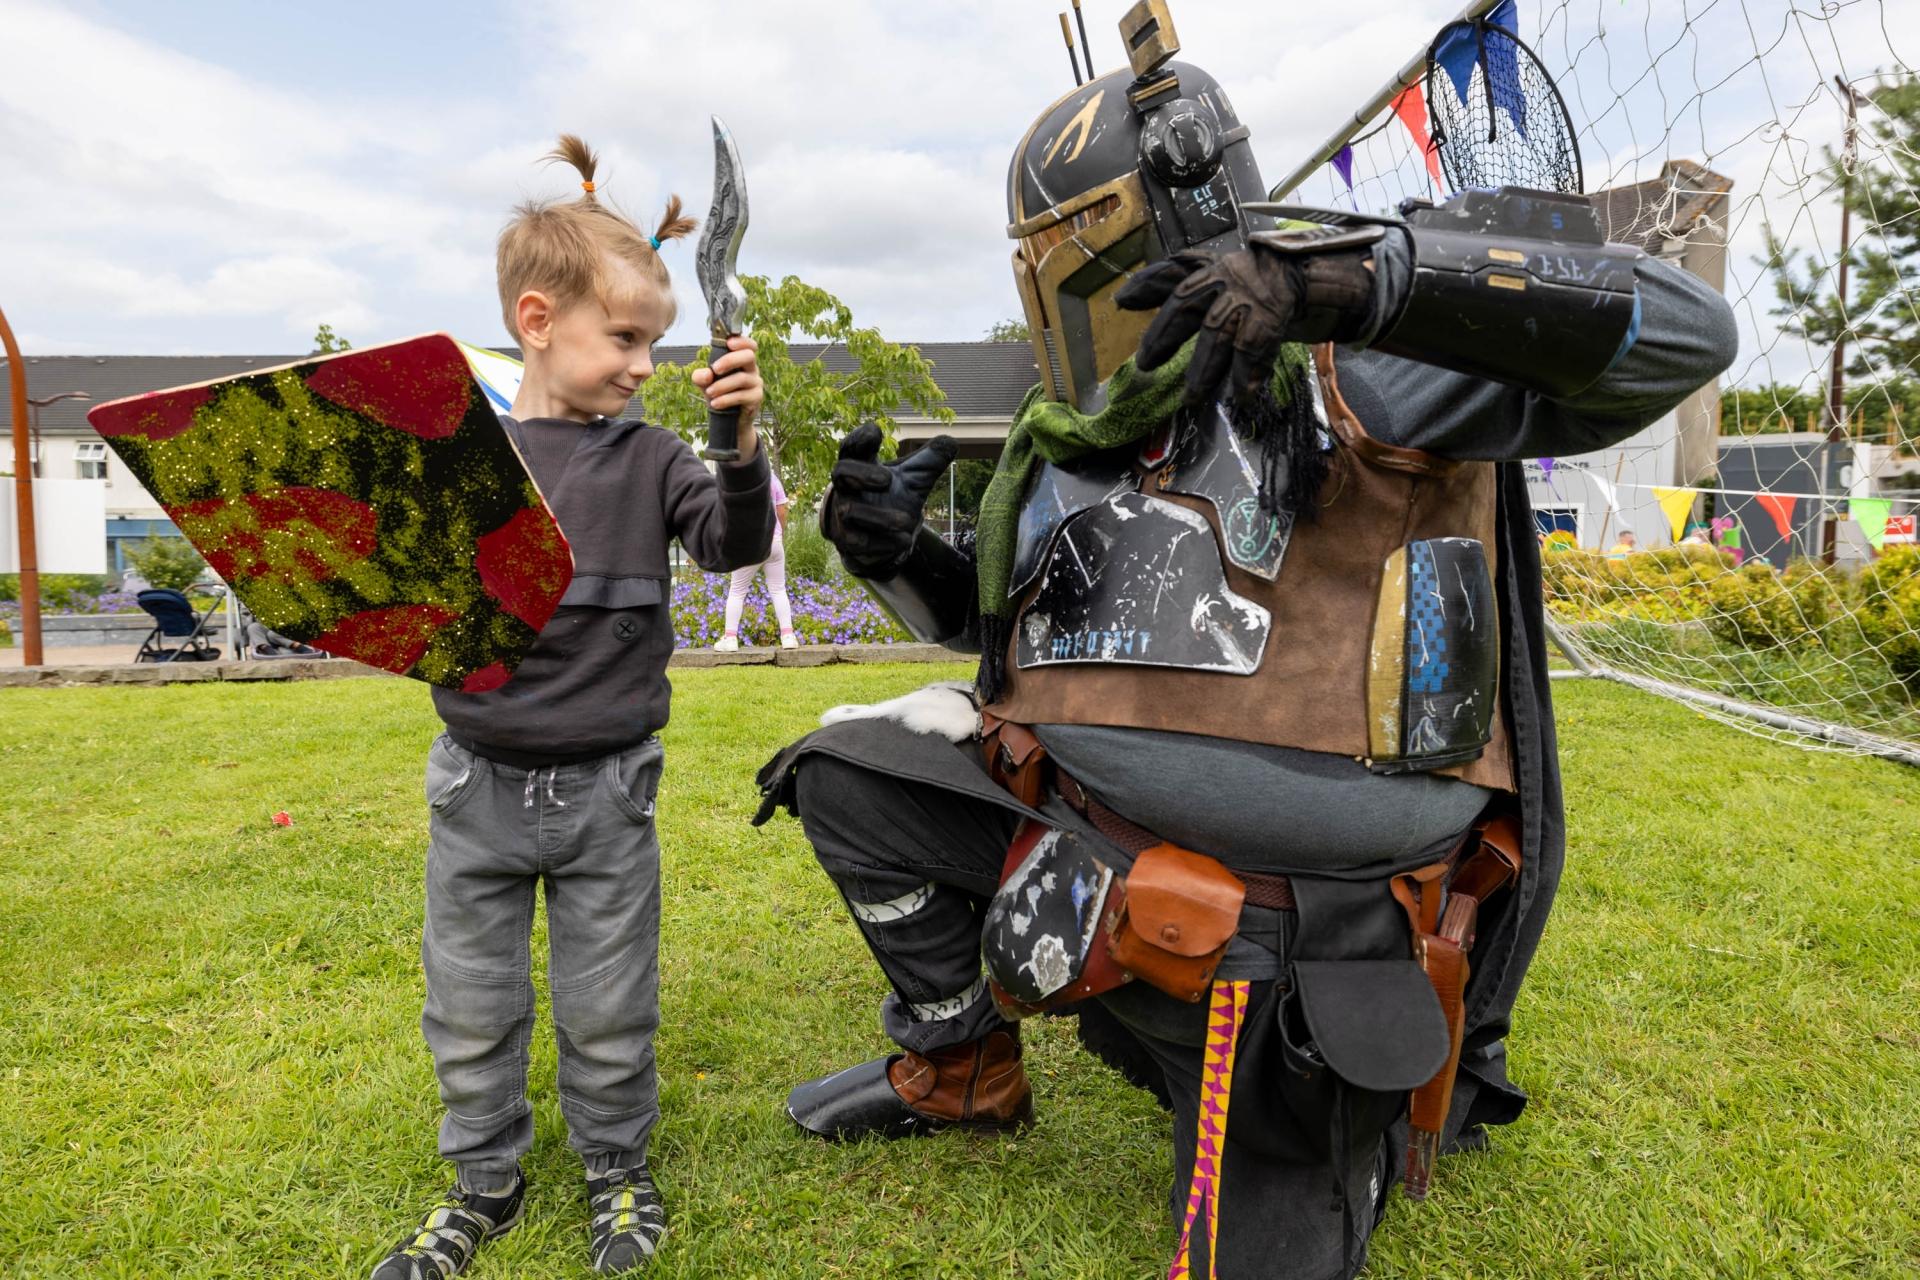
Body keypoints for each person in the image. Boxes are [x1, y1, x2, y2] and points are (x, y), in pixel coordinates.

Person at [752, 7, 1738, 1278]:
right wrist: (901, 561)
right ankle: (960, 1064)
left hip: (1290, 956)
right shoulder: (1087, 426)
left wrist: (1361, 284)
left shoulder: (1364, 358)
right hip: (1090, 864)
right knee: (845, 777)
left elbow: (1688, 333)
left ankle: (1334, 1129)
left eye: (1054, 244)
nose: (1042, 278)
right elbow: (1044, 642)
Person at [369, 134, 771, 1280]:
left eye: (656, 341)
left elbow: (734, 541)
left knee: (607, 1006)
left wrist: (737, 446)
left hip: (606, 793)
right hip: (476, 791)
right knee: (472, 1007)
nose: (646, 365)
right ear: (539, 322)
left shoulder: (655, 461)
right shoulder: (464, 459)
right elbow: (410, 595)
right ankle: (482, 1184)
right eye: (627, 339)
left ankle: (615, 1170)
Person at [714, 470, 797, 650]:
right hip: (774, 541)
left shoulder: (735, 480)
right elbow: (781, 511)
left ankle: (730, 638)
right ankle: (788, 636)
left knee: (737, 590)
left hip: (748, 545)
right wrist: (779, 533)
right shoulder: (772, 477)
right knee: (778, 589)